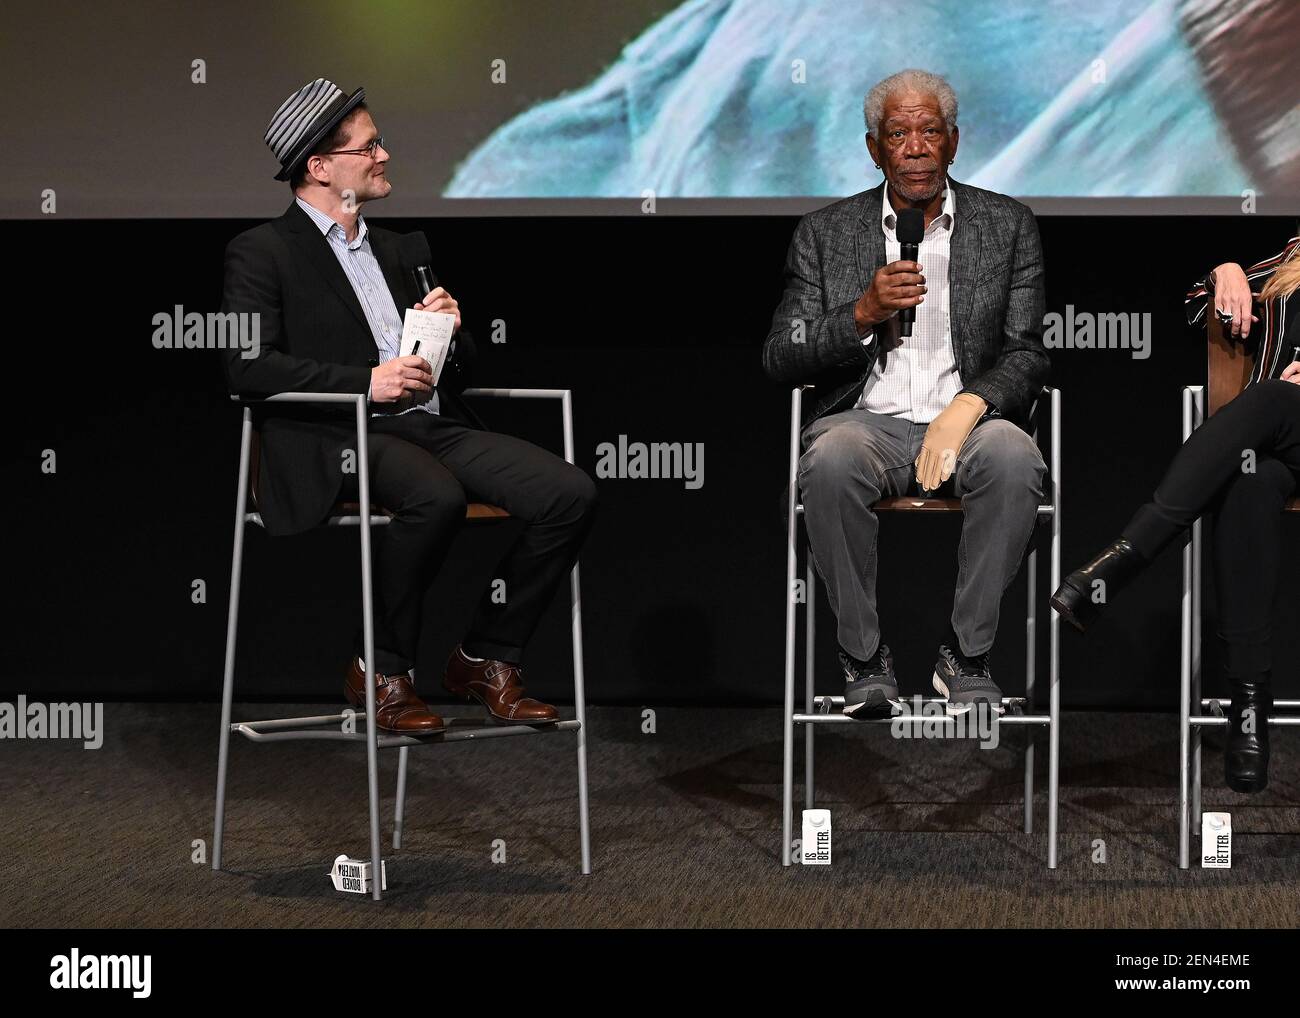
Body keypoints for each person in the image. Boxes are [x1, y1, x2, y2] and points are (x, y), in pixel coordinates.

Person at [221, 79, 597, 733]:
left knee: (570, 493)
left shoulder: (400, 249)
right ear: (320, 167)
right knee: (435, 496)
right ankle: (385, 671)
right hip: (330, 433)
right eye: (370, 147)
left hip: (427, 423)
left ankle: (484, 657)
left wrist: (452, 332)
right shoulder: (263, 251)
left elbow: (460, 369)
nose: (384, 155)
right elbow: (245, 364)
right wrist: (367, 381)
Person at [763, 69, 1049, 717]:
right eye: (898, 133)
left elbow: (1027, 354)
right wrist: (860, 313)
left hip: (969, 423)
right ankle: (864, 658)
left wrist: (966, 410)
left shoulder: (1007, 226)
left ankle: (966, 655)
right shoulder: (824, 234)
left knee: (1015, 458)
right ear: (874, 149)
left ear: (953, 142)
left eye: (929, 132)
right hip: (867, 425)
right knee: (829, 459)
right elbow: (782, 353)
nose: (915, 147)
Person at [1053, 234, 1300, 792]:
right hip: (1279, 448)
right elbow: (1195, 304)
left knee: (1267, 400)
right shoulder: (1294, 258)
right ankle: (1249, 708)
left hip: (1281, 415)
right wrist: (1226, 270)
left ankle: (1126, 557)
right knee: (1248, 483)